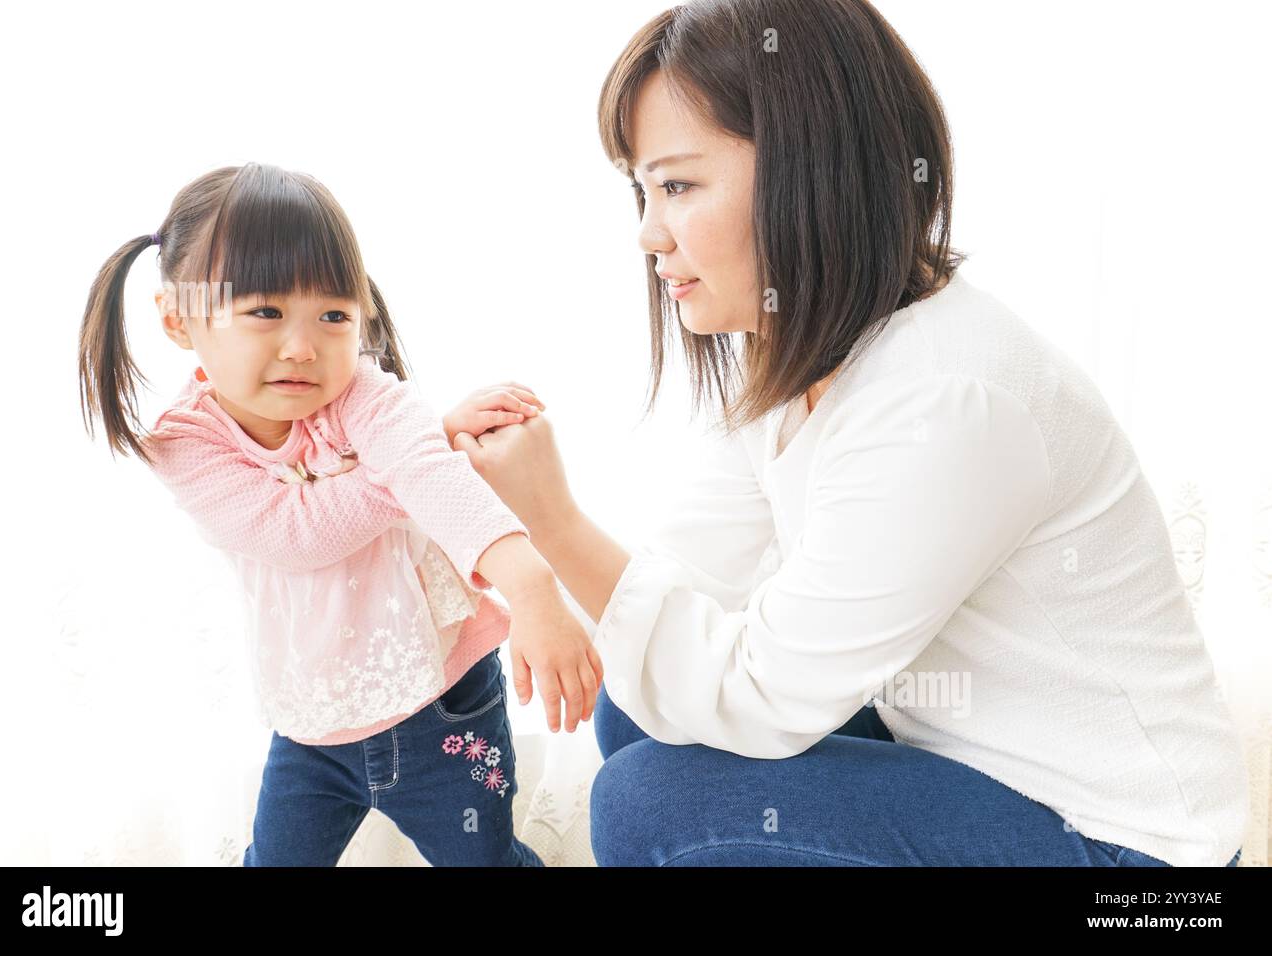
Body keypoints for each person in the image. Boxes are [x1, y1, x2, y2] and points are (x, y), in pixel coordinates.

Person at [447, 0, 1248, 867]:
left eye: (677, 186)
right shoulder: (802, 353)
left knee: (651, 802)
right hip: (961, 757)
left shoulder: (944, 398)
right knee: (639, 708)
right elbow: (688, 582)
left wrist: (555, 522)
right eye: (642, 191)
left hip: (1137, 861)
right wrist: (529, 566)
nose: (648, 234)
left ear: (812, 171)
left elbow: (759, 692)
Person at [77, 161, 602, 866]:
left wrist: (533, 587)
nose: (303, 346)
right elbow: (295, 533)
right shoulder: (184, 443)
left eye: (333, 315)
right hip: (309, 724)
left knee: (485, 858)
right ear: (179, 319)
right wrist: (419, 458)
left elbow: (426, 475)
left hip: (446, 700)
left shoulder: (362, 391)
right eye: (265, 312)